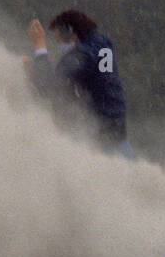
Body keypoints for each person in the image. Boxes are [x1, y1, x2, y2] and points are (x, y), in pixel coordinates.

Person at [26, 9, 131, 156]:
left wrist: (39, 48)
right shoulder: (102, 44)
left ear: (70, 32)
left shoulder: (82, 54)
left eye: (59, 40)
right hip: (118, 133)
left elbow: (48, 88)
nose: (60, 46)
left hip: (99, 139)